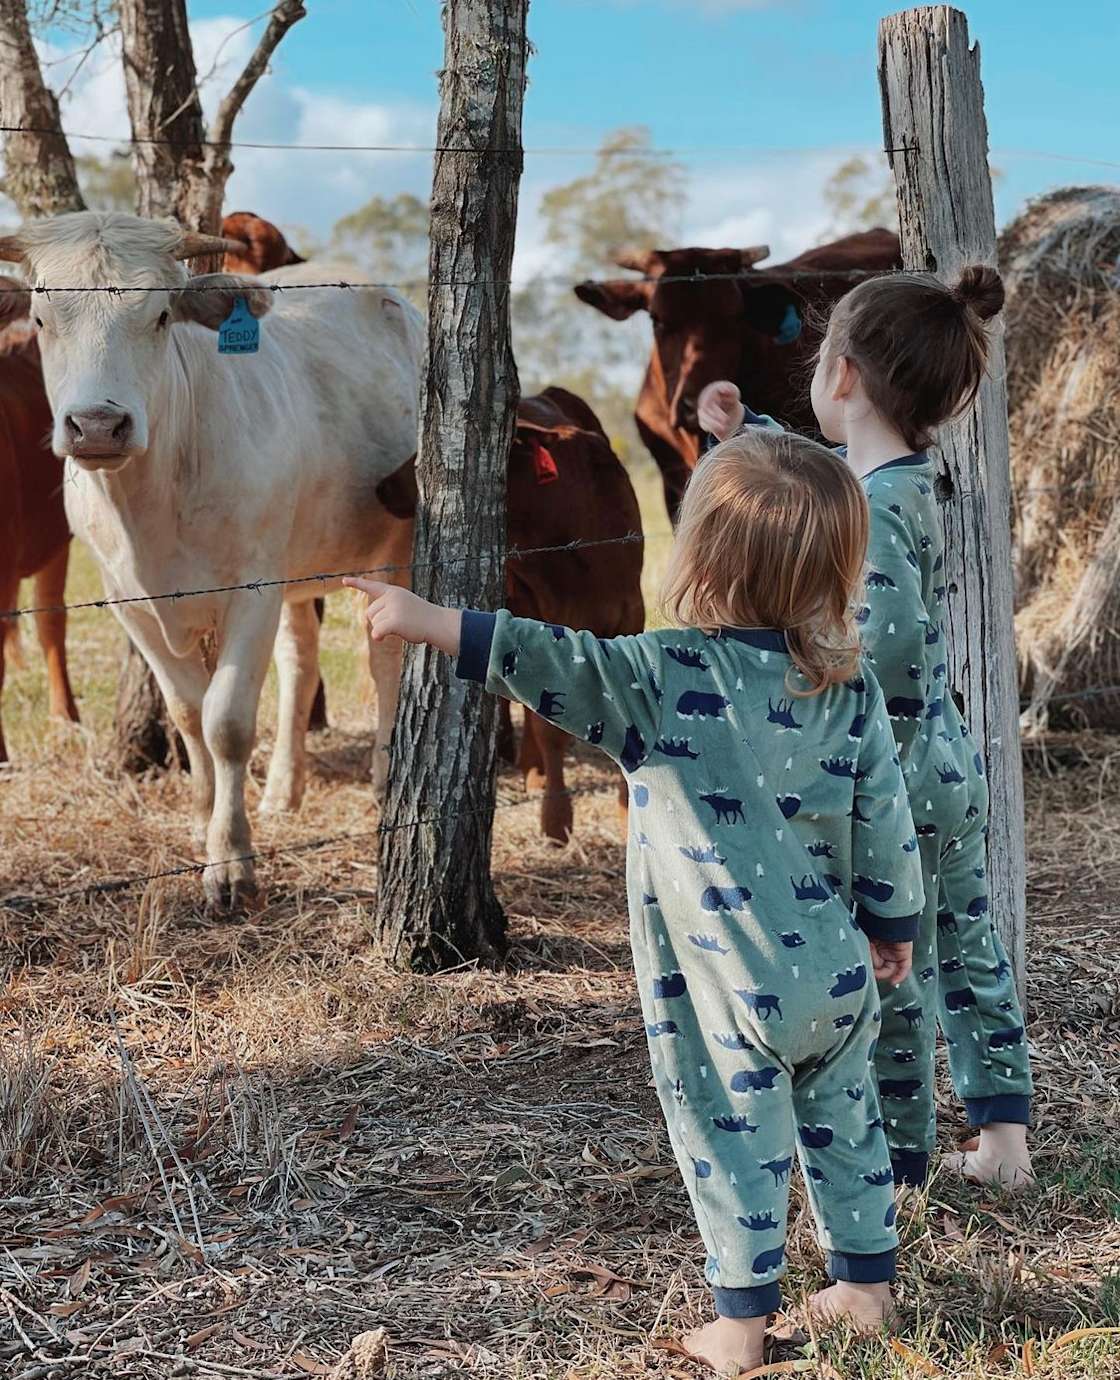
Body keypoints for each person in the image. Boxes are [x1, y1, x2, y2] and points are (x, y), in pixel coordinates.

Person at [346, 427, 925, 1374]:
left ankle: (740, 1327)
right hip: (837, 969)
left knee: (731, 1138)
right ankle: (865, 1289)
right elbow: (887, 818)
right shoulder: (842, 686)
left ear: (700, 557)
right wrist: (892, 925)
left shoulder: (660, 676)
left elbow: (548, 658)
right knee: (846, 1119)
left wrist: (426, 618)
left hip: (727, 988)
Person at [698, 263, 1034, 1194]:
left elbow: (883, 642)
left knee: (893, 968)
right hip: (946, 762)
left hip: (895, 779)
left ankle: (899, 1161)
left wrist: (811, 681)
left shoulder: (875, 508)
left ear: (841, 374)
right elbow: (824, 474)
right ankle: (1004, 1142)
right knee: (968, 947)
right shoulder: (900, 480)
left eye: (817, 362)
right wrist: (748, 432)